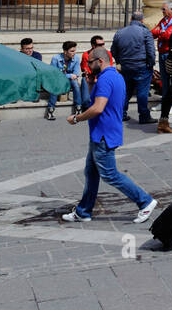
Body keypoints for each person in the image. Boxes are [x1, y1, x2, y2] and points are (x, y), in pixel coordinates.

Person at [61, 47, 157, 225]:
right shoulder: (115, 76)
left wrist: (76, 118)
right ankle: (83, 212)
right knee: (91, 172)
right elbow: (100, 101)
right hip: (103, 133)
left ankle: (145, 201)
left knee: (110, 174)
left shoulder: (105, 79)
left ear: (100, 61)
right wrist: (90, 84)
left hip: (103, 134)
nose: (88, 65)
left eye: (90, 62)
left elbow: (98, 108)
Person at [110, 11, 156, 124]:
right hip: (142, 66)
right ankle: (144, 116)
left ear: (131, 19)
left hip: (126, 66)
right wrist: (151, 64)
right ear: (142, 20)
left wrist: (120, 62)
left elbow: (113, 51)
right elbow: (151, 51)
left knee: (126, 91)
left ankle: (121, 114)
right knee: (142, 93)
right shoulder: (145, 32)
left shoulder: (120, 32)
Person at [151, 1, 172, 116]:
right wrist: (161, 32)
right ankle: (165, 103)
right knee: (164, 80)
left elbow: (168, 35)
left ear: (171, 9)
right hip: (162, 52)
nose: (162, 11)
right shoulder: (164, 20)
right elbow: (153, 32)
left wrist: (161, 33)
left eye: (164, 9)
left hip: (170, 53)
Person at [45, 41, 85, 120]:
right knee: (55, 85)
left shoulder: (76, 58)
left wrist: (70, 76)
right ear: (65, 52)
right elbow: (55, 74)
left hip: (69, 80)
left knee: (76, 84)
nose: (74, 53)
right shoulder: (56, 59)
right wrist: (69, 75)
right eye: (72, 51)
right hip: (58, 79)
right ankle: (50, 110)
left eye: (75, 51)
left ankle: (78, 108)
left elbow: (76, 74)